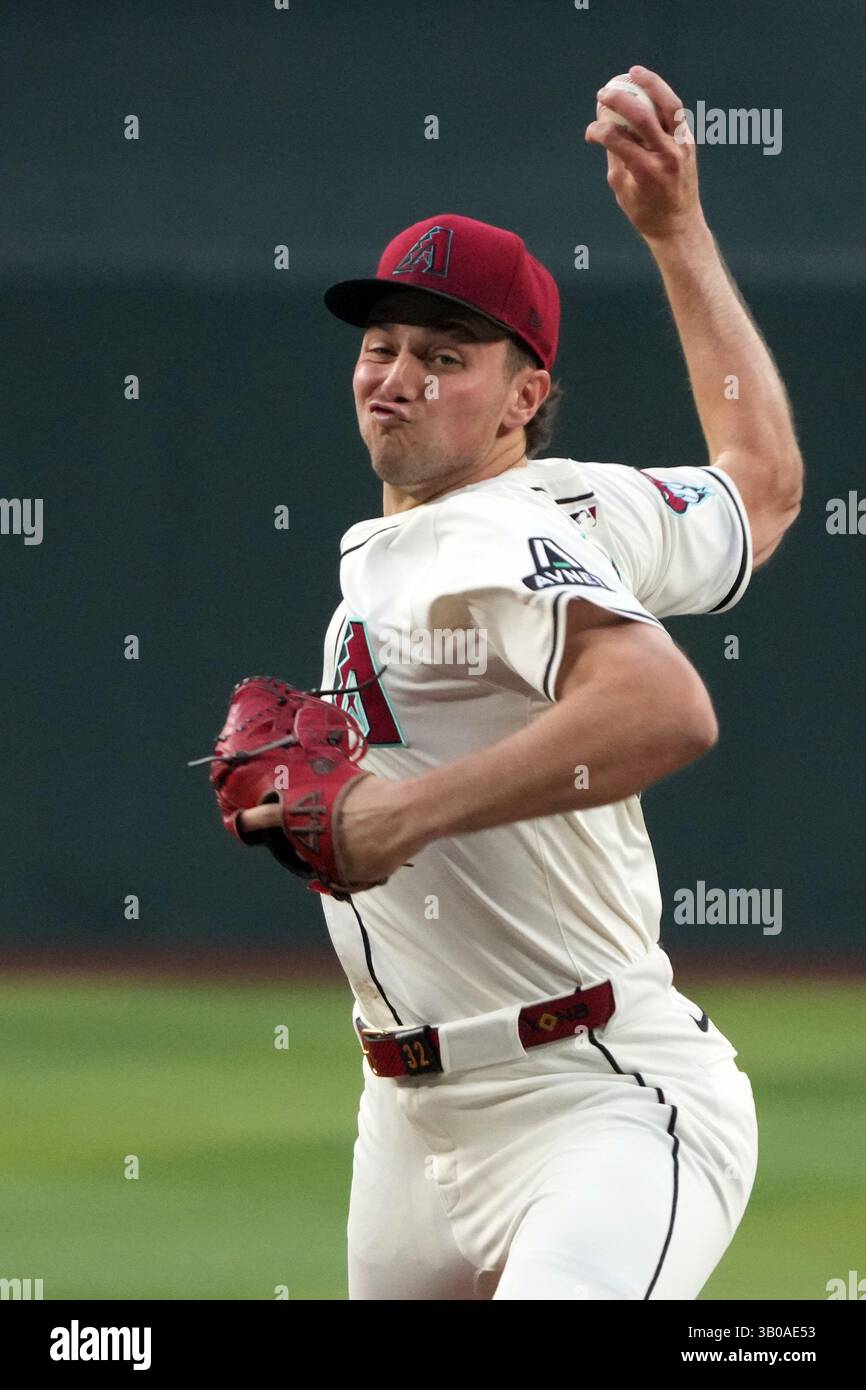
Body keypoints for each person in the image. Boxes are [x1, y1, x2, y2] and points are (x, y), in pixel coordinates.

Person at [242, 65, 803, 1299]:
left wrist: (398, 811)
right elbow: (759, 481)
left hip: (591, 1105)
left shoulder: (481, 536)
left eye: (444, 356)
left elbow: (663, 707)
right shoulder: (580, 506)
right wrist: (675, 232)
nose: (395, 375)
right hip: (408, 1124)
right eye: (381, 346)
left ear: (523, 396)